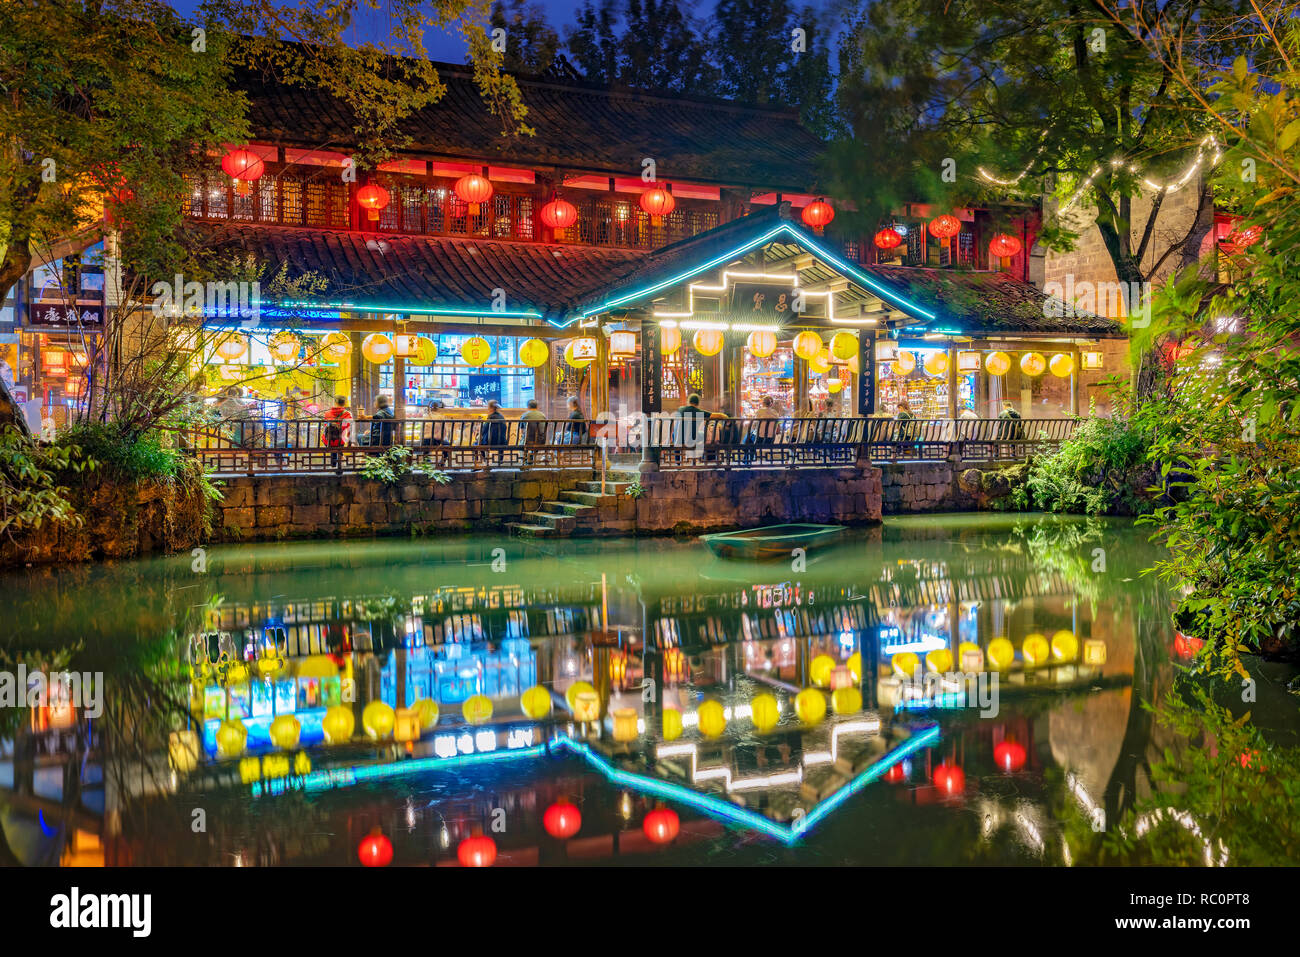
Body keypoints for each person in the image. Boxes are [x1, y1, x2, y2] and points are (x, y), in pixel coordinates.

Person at [322, 395, 352, 467]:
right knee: (339, 440)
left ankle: (334, 464)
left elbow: (325, 427)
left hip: (328, 440)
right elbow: (349, 429)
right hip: (341, 440)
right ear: (344, 403)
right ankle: (340, 459)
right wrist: (349, 441)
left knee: (331, 440)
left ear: (335, 402)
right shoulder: (347, 414)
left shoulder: (327, 413)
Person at [520, 398, 547, 464]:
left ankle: (525, 460)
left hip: (528, 441)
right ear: (537, 406)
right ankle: (531, 457)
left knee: (522, 443)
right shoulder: (542, 415)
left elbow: (522, 431)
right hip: (540, 441)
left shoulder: (524, 415)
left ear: (528, 407)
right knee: (537, 439)